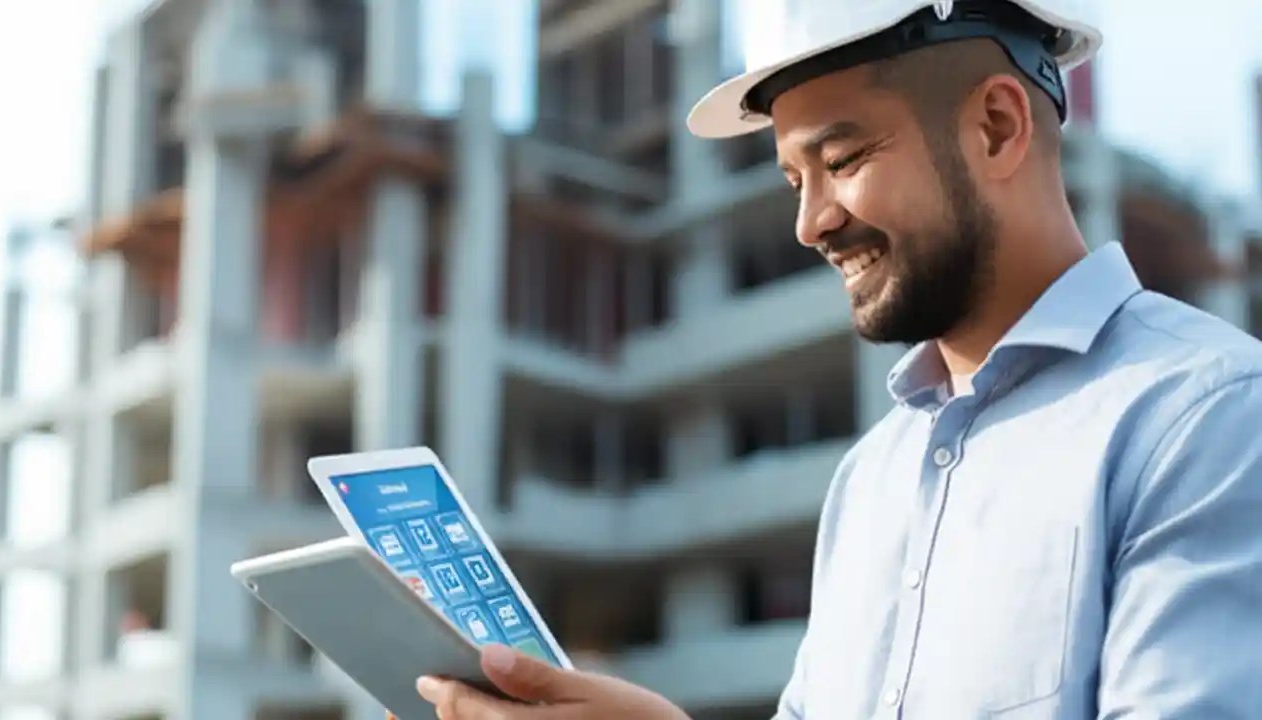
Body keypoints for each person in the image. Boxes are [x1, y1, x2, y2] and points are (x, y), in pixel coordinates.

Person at [411, 1, 1262, 717]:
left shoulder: (1209, 421)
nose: (810, 223)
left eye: (843, 160)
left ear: (996, 127)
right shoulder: (871, 482)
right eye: (793, 181)